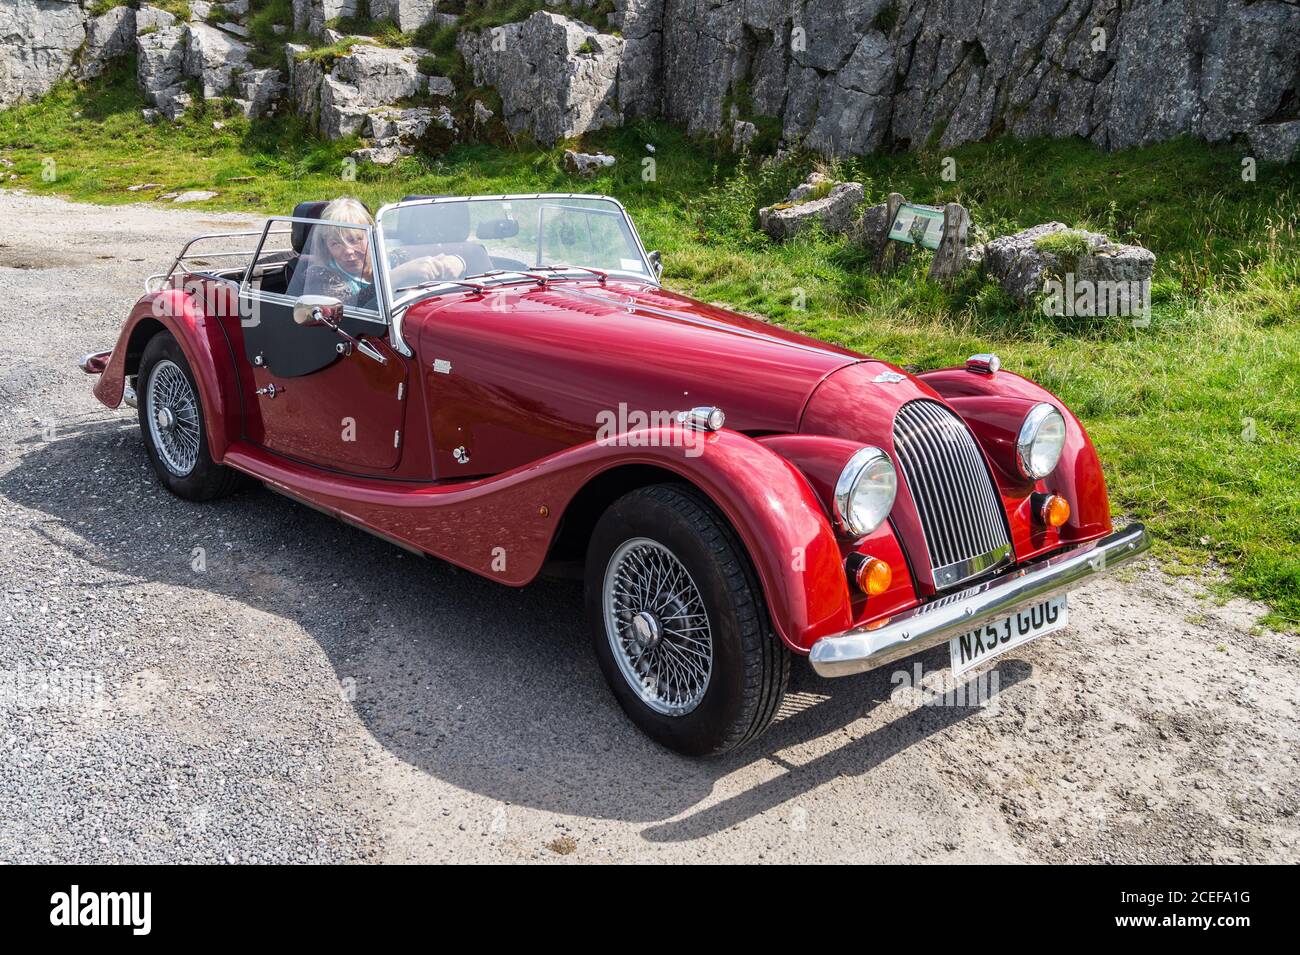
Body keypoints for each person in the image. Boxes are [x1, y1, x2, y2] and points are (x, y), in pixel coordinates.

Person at [292, 197, 466, 307]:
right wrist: (394, 278)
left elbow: (433, 269)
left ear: (371, 236)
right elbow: (347, 314)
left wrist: (456, 262)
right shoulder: (320, 275)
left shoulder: (393, 259)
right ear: (325, 246)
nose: (349, 252)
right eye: (335, 244)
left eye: (355, 239)